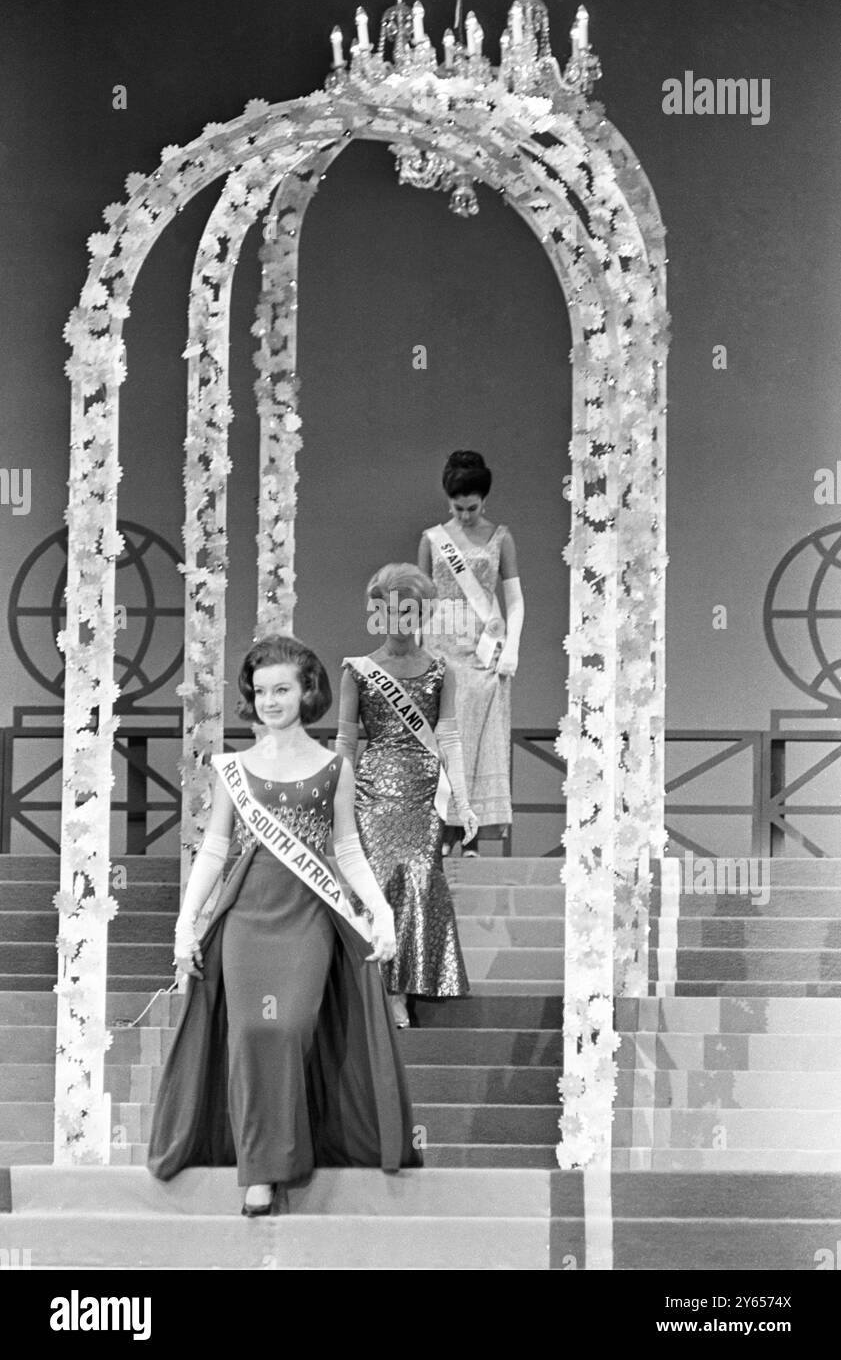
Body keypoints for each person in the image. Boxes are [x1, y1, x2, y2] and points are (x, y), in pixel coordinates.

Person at [146, 635, 421, 1216]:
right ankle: (263, 1171)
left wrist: (381, 909)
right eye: (261, 690)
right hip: (247, 914)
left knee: (287, 1028)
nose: (270, 700)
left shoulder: (332, 767)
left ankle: (286, 1153)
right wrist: (185, 923)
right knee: (252, 1033)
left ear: (307, 691)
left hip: (308, 915)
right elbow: (215, 851)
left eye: (282, 689)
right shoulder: (233, 769)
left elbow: (347, 850)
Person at [335, 564, 477, 1029]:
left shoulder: (441, 671)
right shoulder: (357, 671)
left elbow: (450, 739)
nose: (401, 620)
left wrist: (465, 801)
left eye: (411, 611)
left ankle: (402, 987)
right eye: (392, 611)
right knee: (377, 880)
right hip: (372, 792)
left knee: (417, 880)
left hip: (423, 794)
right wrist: (341, 800)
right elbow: (345, 744)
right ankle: (378, 989)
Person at [418, 450, 524, 856]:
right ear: (448, 501)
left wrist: (511, 647)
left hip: (484, 654)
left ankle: (472, 836)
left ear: (484, 501)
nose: (464, 515)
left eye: (472, 508)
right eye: (457, 508)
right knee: (444, 741)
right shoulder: (432, 540)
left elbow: (514, 601)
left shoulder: (501, 538)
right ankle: (443, 833)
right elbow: (419, 601)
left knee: (478, 742)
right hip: (441, 652)